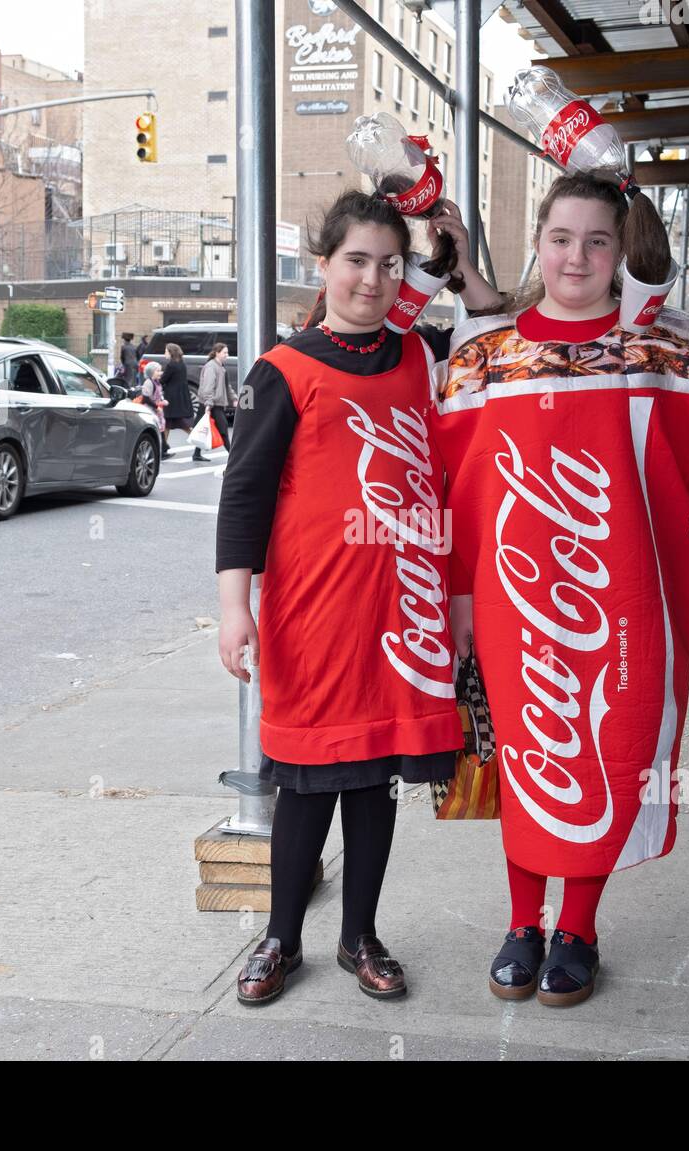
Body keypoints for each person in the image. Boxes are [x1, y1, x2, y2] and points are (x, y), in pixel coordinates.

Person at [432, 171, 689, 1007]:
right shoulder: (486, 356)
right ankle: (521, 919)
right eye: (562, 237)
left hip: (625, 600)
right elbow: (459, 489)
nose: (577, 255)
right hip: (513, 598)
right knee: (524, 753)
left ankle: (579, 923)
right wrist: (459, 592)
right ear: (537, 242)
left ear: (622, 252)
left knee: (608, 753)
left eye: (598, 240)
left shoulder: (662, 349)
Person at [216, 188, 503, 1007]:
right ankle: (280, 936)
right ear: (323, 265)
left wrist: (464, 265)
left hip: (402, 611)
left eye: (390, 263)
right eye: (356, 261)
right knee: (306, 779)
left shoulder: (421, 355)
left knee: (374, 780)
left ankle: (360, 936)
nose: (373, 280)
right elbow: (243, 497)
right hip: (313, 613)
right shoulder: (283, 370)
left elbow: (500, 337)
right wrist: (235, 605)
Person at [159, 342, 196, 460]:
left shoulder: (171, 365)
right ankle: (163, 448)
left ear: (171, 352)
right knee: (172, 423)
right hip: (180, 397)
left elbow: (163, 380)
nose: (164, 353)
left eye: (166, 351)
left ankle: (163, 449)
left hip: (171, 398)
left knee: (169, 422)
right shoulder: (181, 363)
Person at [196, 343, 235, 453]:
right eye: (224, 353)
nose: (227, 355)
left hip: (215, 403)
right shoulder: (211, 366)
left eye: (227, 353)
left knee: (203, 427)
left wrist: (234, 398)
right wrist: (208, 404)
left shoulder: (220, 366)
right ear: (217, 353)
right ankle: (233, 456)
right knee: (223, 431)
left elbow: (227, 386)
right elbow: (208, 386)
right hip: (213, 404)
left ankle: (196, 453)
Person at [137, 360, 169, 452]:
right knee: (158, 429)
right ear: (151, 372)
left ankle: (164, 449)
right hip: (150, 410)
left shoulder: (156, 382)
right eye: (158, 371)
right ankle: (162, 449)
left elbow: (158, 395)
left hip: (157, 410)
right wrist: (157, 406)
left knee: (161, 428)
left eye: (160, 370)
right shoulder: (148, 382)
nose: (161, 373)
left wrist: (163, 401)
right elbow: (146, 398)